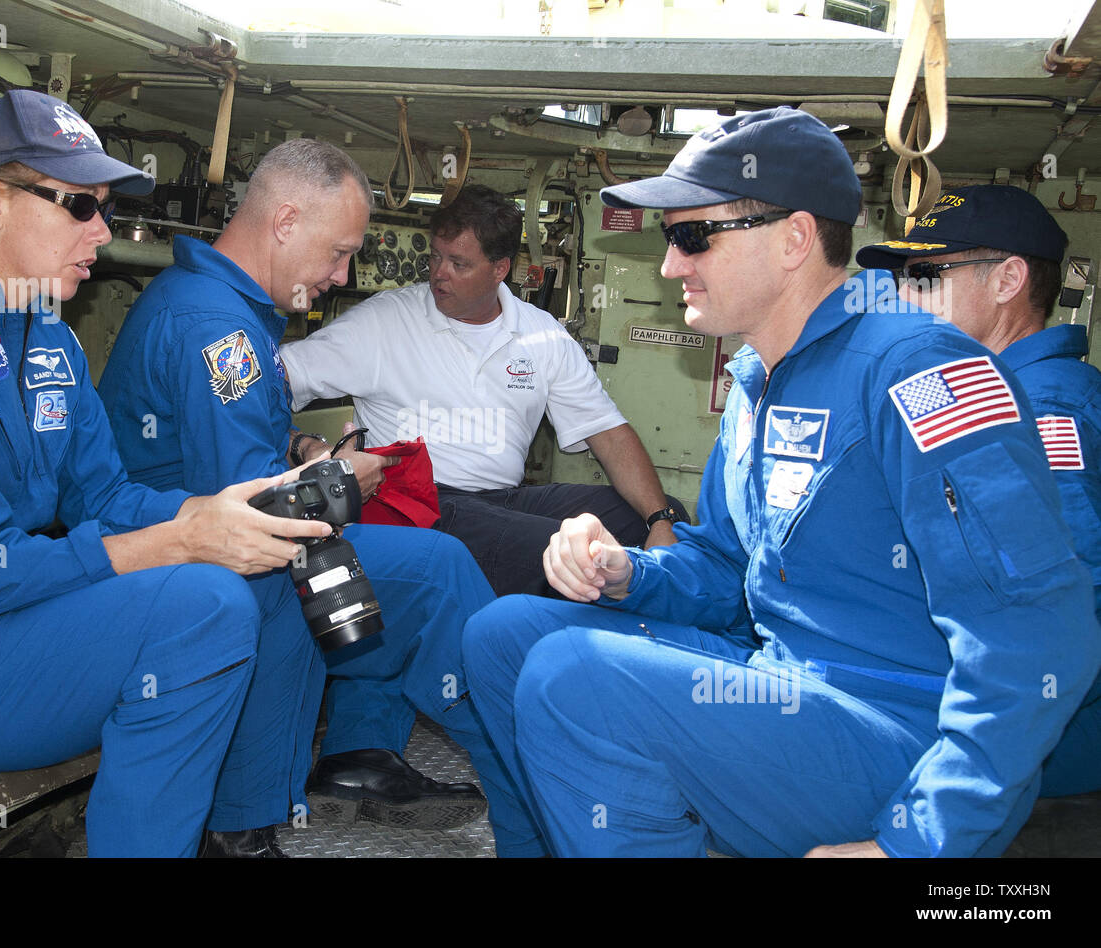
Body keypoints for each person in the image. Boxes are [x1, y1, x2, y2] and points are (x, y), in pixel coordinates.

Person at [460, 107, 1100, 858]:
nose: (670, 266)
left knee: (574, 677)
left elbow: (1038, 627)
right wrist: (626, 572)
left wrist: (916, 842)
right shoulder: (758, 382)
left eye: (693, 237)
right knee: (502, 635)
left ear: (795, 238)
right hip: (787, 684)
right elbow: (727, 569)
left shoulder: (925, 372)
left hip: (906, 739)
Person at [0, 90, 340, 857]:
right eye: (80, 206)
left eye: (106, 209)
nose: (104, 231)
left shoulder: (47, 339)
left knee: (265, 574)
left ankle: (223, 832)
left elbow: (107, 496)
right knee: (203, 607)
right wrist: (181, 541)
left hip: (8, 631)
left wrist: (213, 512)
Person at [98, 139, 541, 856]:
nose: (341, 276)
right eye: (339, 254)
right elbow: (256, 519)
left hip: (201, 545)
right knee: (437, 571)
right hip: (195, 564)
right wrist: (344, 482)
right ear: (285, 222)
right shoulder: (219, 331)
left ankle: (321, 775)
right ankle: (534, 777)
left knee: (391, 570)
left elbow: (233, 448)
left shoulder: (210, 302)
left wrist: (306, 449)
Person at [279, 184, 689, 597]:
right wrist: (305, 446)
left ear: (500, 269)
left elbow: (609, 433)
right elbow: (270, 381)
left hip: (501, 500)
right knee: (559, 550)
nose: (439, 273)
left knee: (650, 518)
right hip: (419, 502)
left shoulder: (541, 333)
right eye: (435, 256)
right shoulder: (383, 322)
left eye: (458, 263)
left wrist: (660, 519)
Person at [856, 184, 1101, 798]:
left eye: (926, 276)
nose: (903, 295)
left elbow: (1063, 596)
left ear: (1008, 280)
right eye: (901, 278)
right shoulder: (987, 393)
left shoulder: (1043, 409)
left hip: (1038, 751)